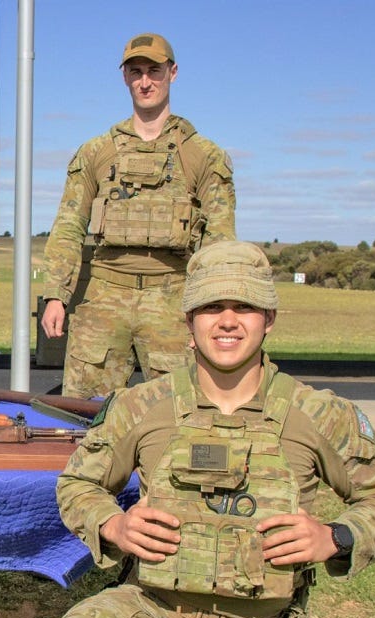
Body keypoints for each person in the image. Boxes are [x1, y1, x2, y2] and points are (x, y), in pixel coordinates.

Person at [53, 241, 375, 618]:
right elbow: (78, 483)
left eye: (244, 307)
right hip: (150, 610)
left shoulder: (317, 413)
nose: (228, 321)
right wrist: (114, 525)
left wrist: (336, 537)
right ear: (189, 320)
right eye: (211, 307)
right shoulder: (140, 406)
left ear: (268, 318)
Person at [41, 33, 236, 399]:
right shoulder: (96, 152)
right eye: (136, 72)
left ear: (172, 73)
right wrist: (56, 295)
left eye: (154, 71)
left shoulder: (203, 156)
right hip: (104, 295)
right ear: (125, 77)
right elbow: (68, 226)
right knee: (84, 413)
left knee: (182, 410)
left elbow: (219, 241)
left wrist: (212, 307)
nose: (145, 82)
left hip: (173, 297)